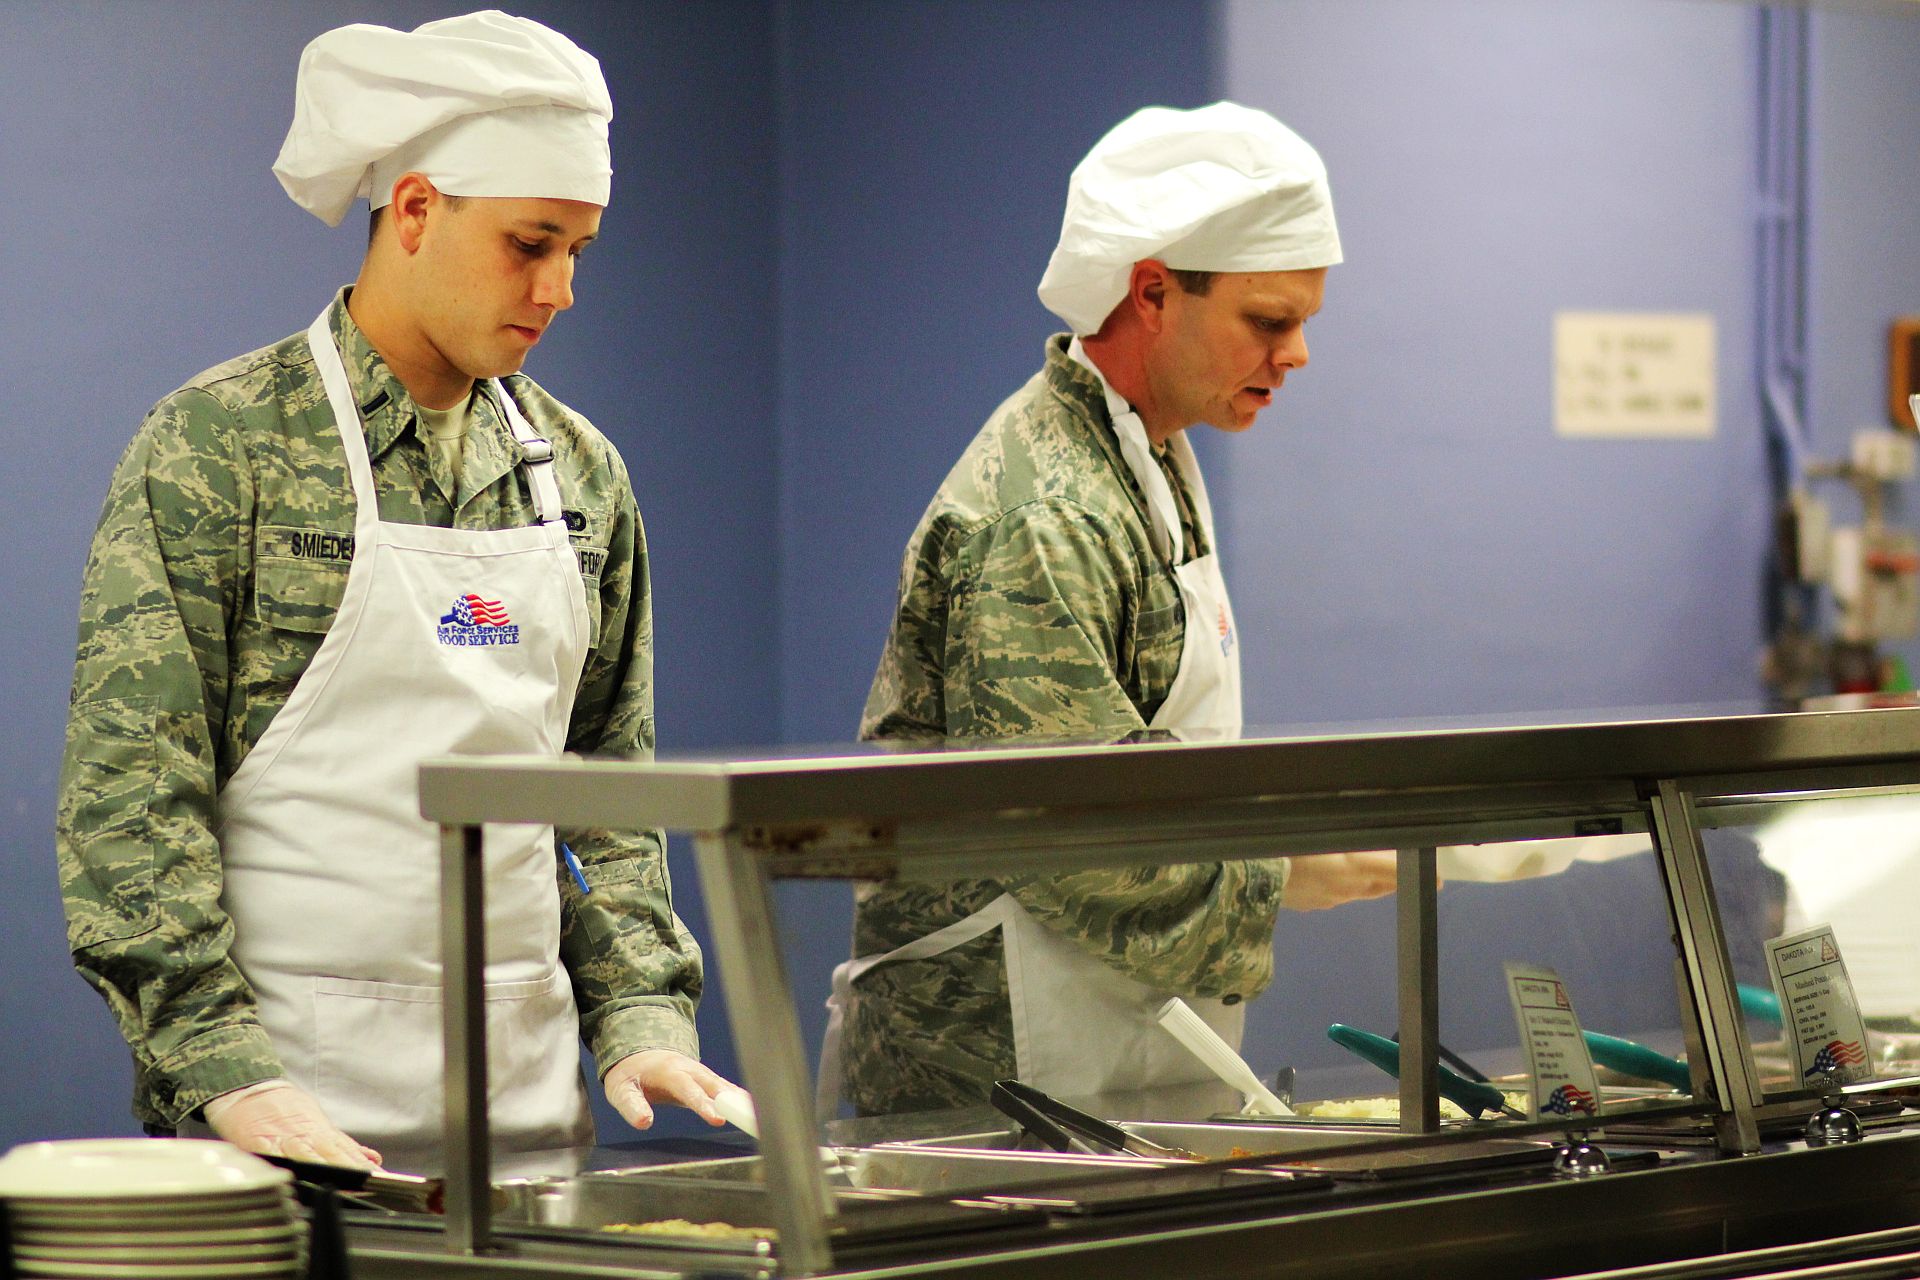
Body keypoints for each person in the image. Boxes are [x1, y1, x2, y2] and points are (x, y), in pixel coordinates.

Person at [56, 11, 734, 1172]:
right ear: (415, 210)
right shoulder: (224, 446)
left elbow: (606, 796)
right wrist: (225, 1070)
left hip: (526, 1124)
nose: (562, 288)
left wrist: (640, 1016)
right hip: (278, 1123)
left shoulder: (582, 477)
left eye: (580, 249)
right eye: (530, 244)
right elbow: (132, 801)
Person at [827, 103, 1398, 1117]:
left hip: (1115, 1046)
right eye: (1270, 321)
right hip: (991, 1081)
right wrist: (1283, 868)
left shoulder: (1150, 454)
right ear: (1153, 294)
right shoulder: (1046, 514)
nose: (1299, 353)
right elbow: (1075, 839)